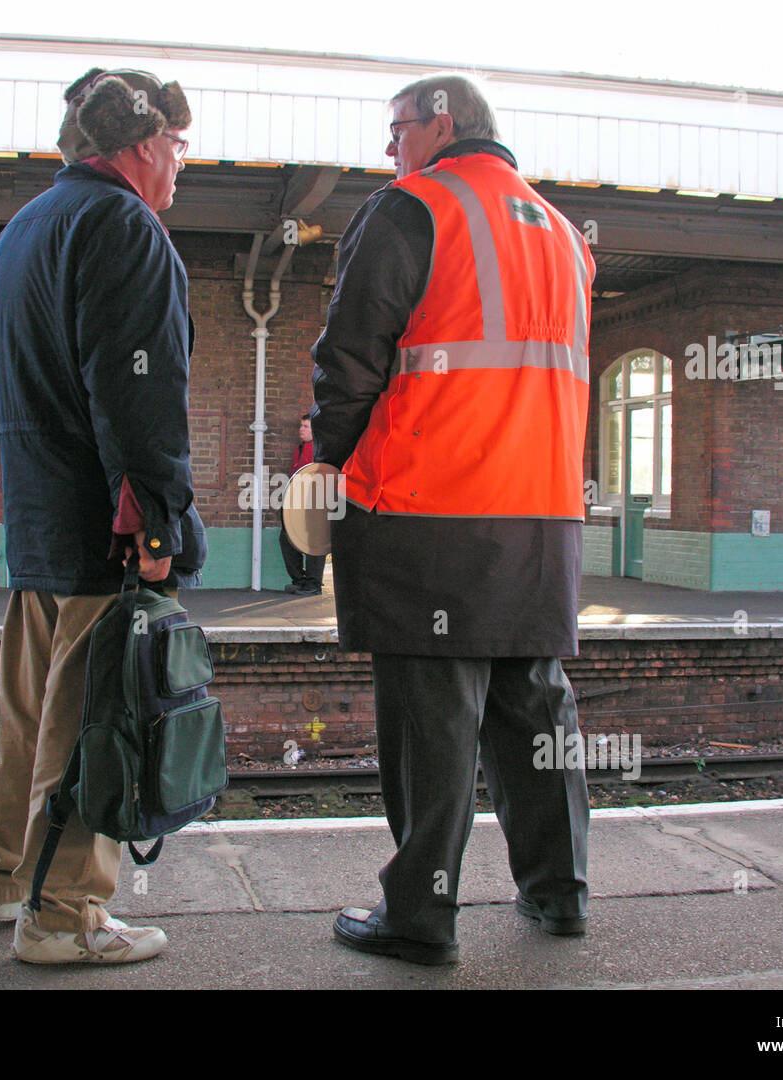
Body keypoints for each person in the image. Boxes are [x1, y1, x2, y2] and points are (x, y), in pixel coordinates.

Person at [311, 73, 595, 964]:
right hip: (544, 517)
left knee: (434, 718)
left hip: (432, 508)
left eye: (396, 128)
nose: (389, 147)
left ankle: (420, 917)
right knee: (535, 707)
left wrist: (326, 462)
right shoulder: (561, 233)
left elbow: (350, 356)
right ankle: (559, 895)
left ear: (441, 123)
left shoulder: (413, 208)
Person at [0, 67, 205, 965]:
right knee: (94, 721)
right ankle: (61, 917)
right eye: (178, 146)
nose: (182, 165)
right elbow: (137, 398)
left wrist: (45, 456)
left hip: (37, 523)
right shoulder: (125, 225)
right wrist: (153, 527)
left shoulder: (24, 228)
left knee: (25, 716)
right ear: (142, 146)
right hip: (105, 526)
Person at [279, 413, 326, 595]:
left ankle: (313, 584)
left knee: (314, 542)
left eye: (306, 427)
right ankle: (300, 580)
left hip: (314, 502)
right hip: (296, 502)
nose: (301, 430)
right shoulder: (300, 449)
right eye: (301, 426)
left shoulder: (317, 450)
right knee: (287, 539)